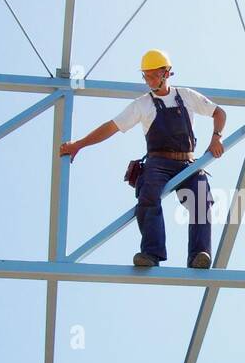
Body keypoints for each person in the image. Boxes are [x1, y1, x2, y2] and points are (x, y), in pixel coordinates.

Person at [59, 50, 227, 268]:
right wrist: (79, 145)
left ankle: (199, 255)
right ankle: (151, 253)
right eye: (145, 76)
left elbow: (219, 113)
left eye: (152, 76)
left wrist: (216, 138)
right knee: (148, 196)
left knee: (201, 199)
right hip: (158, 162)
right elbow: (111, 127)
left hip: (187, 162)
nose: (148, 81)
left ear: (165, 73)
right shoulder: (142, 104)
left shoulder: (185, 96)